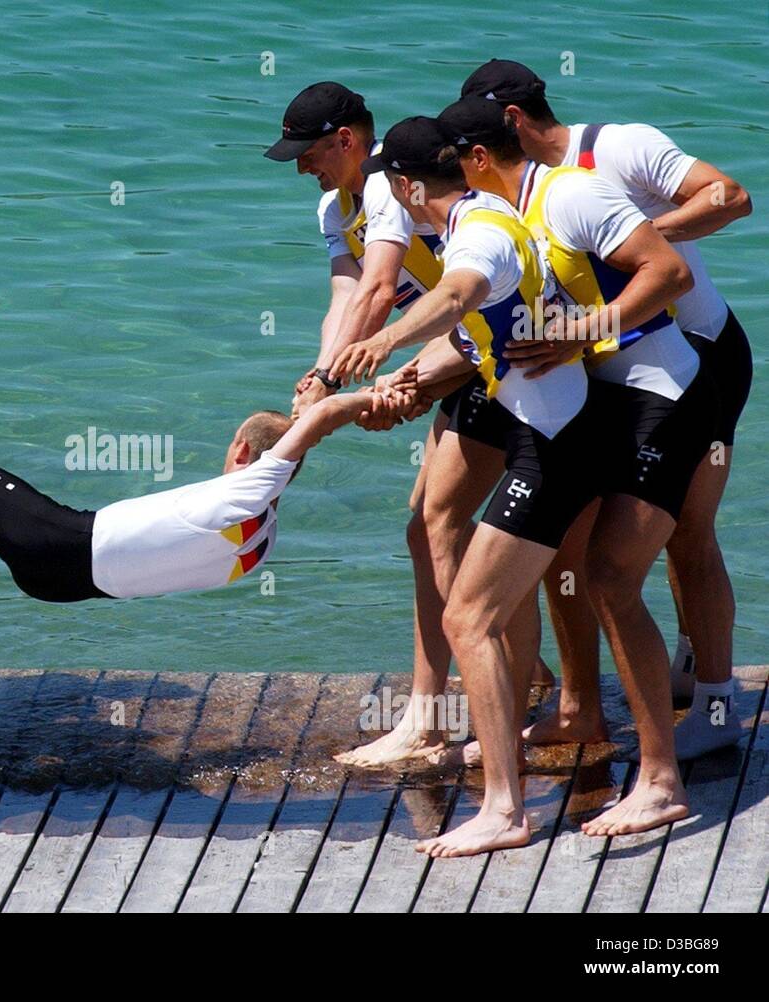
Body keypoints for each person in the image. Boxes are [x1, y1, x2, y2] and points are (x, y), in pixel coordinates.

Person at [461, 59, 754, 759]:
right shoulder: (520, 200)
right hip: (611, 371)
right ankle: (589, 701)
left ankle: (713, 710)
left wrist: (626, 244)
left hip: (699, 351)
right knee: (579, 545)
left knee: (687, 534)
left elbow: (733, 196)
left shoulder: (614, 150)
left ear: (508, 123)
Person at [338, 116, 613, 856]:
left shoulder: (478, 233)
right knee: (492, 604)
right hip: (548, 433)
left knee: (469, 618)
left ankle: (505, 809)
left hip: (555, 447)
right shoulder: (493, 213)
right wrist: (408, 380)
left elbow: (459, 292)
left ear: (402, 184)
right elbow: (476, 329)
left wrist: (383, 341)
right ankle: (503, 771)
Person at [264, 82, 548, 768]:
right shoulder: (337, 207)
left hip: (495, 349)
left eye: (310, 153)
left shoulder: (396, 187)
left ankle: (484, 705)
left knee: (458, 530)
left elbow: (381, 291)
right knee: (428, 524)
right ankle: (455, 707)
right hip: (458, 347)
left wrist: (345, 381)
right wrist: (320, 371)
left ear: (348, 140)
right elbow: (344, 295)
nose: (304, 167)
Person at [0, 373, 414, 601]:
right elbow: (298, 439)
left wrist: (372, 398)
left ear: (240, 451)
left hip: (60, 538)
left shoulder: (241, 492)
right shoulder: (261, 538)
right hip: (71, 583)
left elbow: (316, 424)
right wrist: (308, 407)